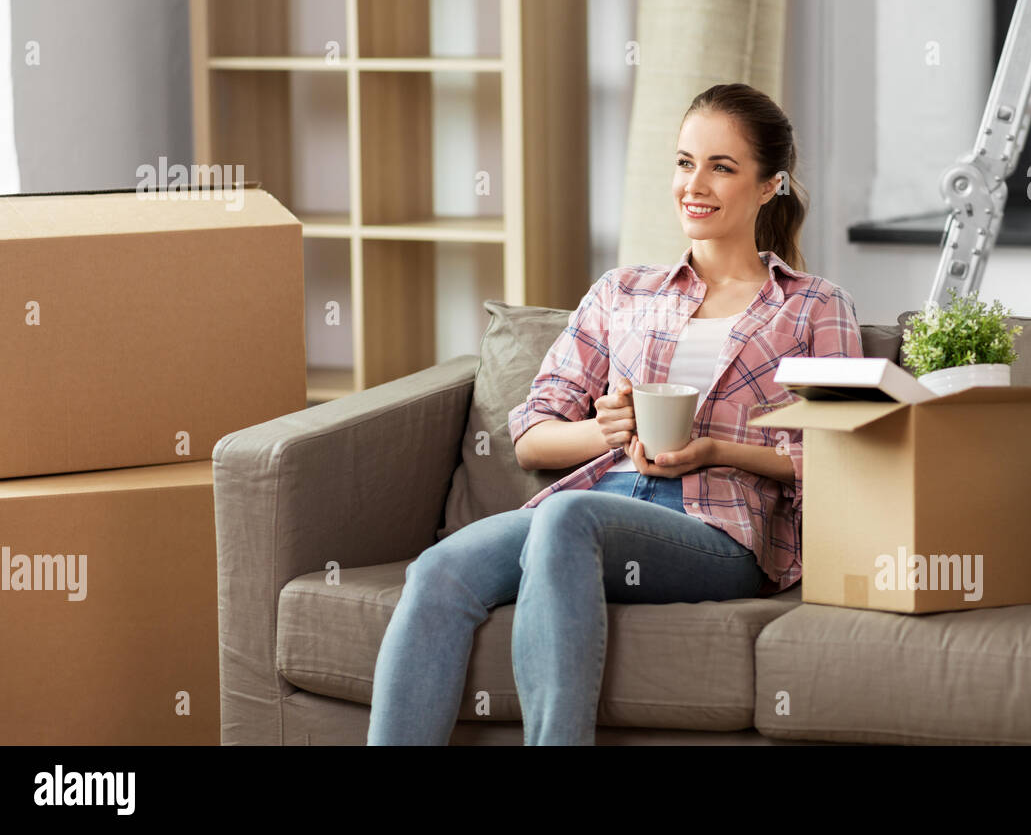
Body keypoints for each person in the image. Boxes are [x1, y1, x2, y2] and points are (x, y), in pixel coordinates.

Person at [367, 82, 863, 746]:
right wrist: (602, 430)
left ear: (770, 184)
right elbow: (531, 434)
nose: (696, 182)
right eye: (686, 161)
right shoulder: (622, 292)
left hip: (716, 528)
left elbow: (844, 453)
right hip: (600, 500)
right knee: (437, 572)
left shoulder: (813, 306)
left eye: (722, 166)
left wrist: (715, 449)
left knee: (569, 517)